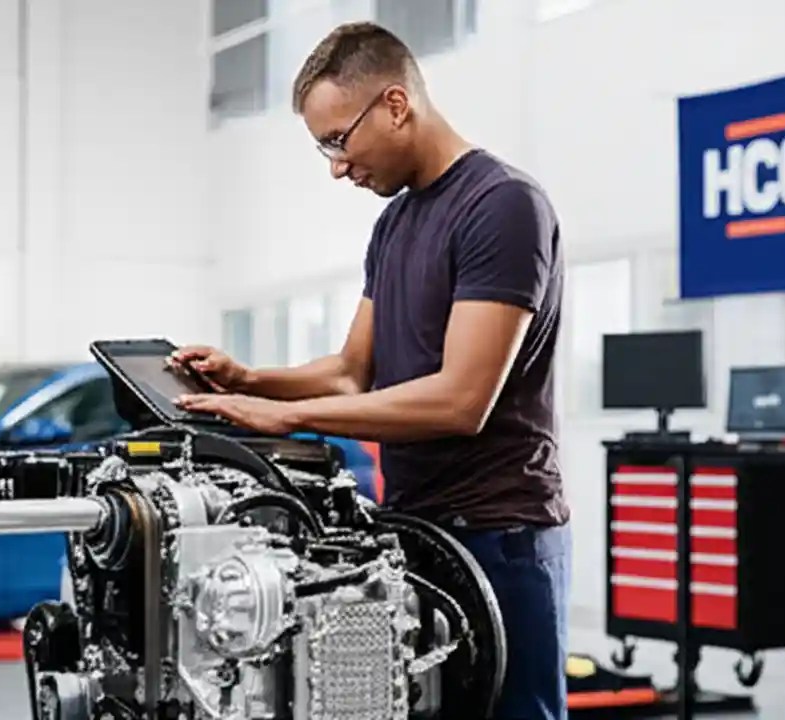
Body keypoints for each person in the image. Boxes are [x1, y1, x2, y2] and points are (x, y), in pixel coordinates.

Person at [171, 21, 570, 720]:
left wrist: (287, 417)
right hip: (415, 530)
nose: (335, 165)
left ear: (394, 104)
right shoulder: (395, 225)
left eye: (337, 140)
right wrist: (248, 381)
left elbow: (461, 399)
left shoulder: (502, 205)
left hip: (501, 536)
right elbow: (354, 372)